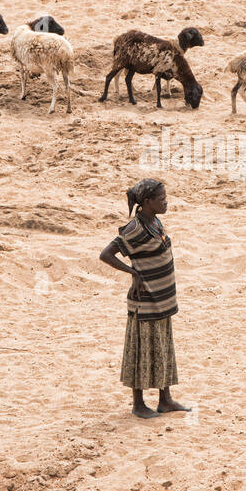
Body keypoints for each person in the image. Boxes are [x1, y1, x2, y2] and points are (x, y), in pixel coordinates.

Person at [99, 179, 190, 419]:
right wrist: (132, 273)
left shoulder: (155, 221)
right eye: (161, 198)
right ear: (147, 202)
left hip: (162, 300)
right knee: (140, 351)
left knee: (162, 349)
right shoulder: (135, 228)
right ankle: (138, 405)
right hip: (145, 302)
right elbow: (106, 254)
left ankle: (165, 400)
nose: (166, 201)